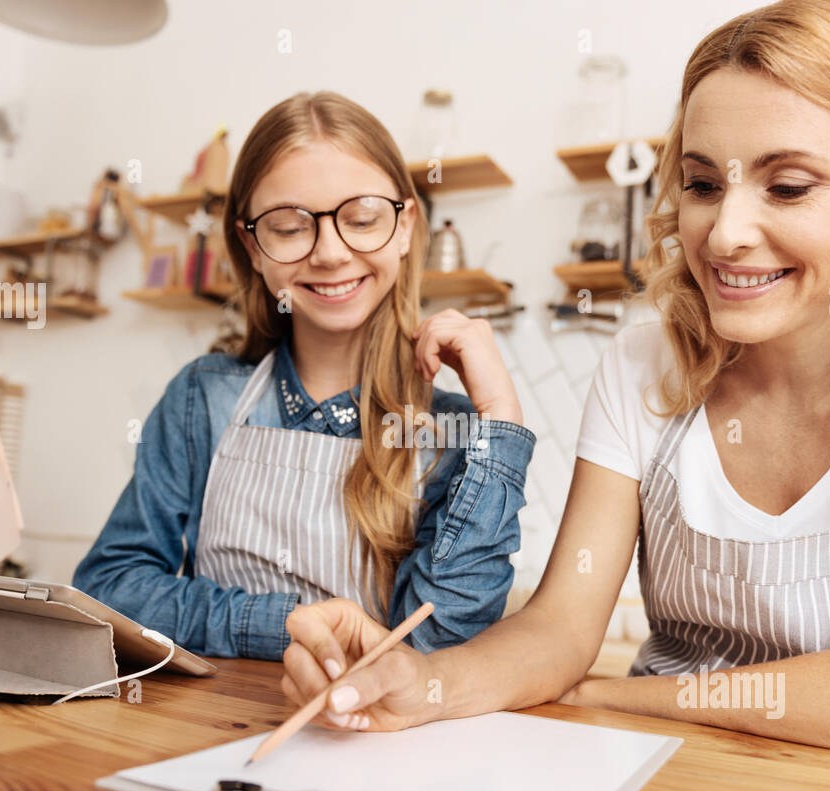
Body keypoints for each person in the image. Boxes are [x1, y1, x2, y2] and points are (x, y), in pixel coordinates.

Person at [276, 0, 830, 755]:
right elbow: (561, 629)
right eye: (704, 185)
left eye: (789, 187)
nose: (727, 233)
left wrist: (611, 693)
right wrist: (426, 683)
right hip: (651, 769)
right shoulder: (643, 365)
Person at [74, 91, 535, 659]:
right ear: (253, 246)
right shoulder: (203, 398)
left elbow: (436, 646)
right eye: (290, 229)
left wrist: (503, 424)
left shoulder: (454, 433)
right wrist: (289, 624)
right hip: (210, 731)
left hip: (375, 742)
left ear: (406, 225)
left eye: (362, 219)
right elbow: (109, 587)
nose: (331, 252)